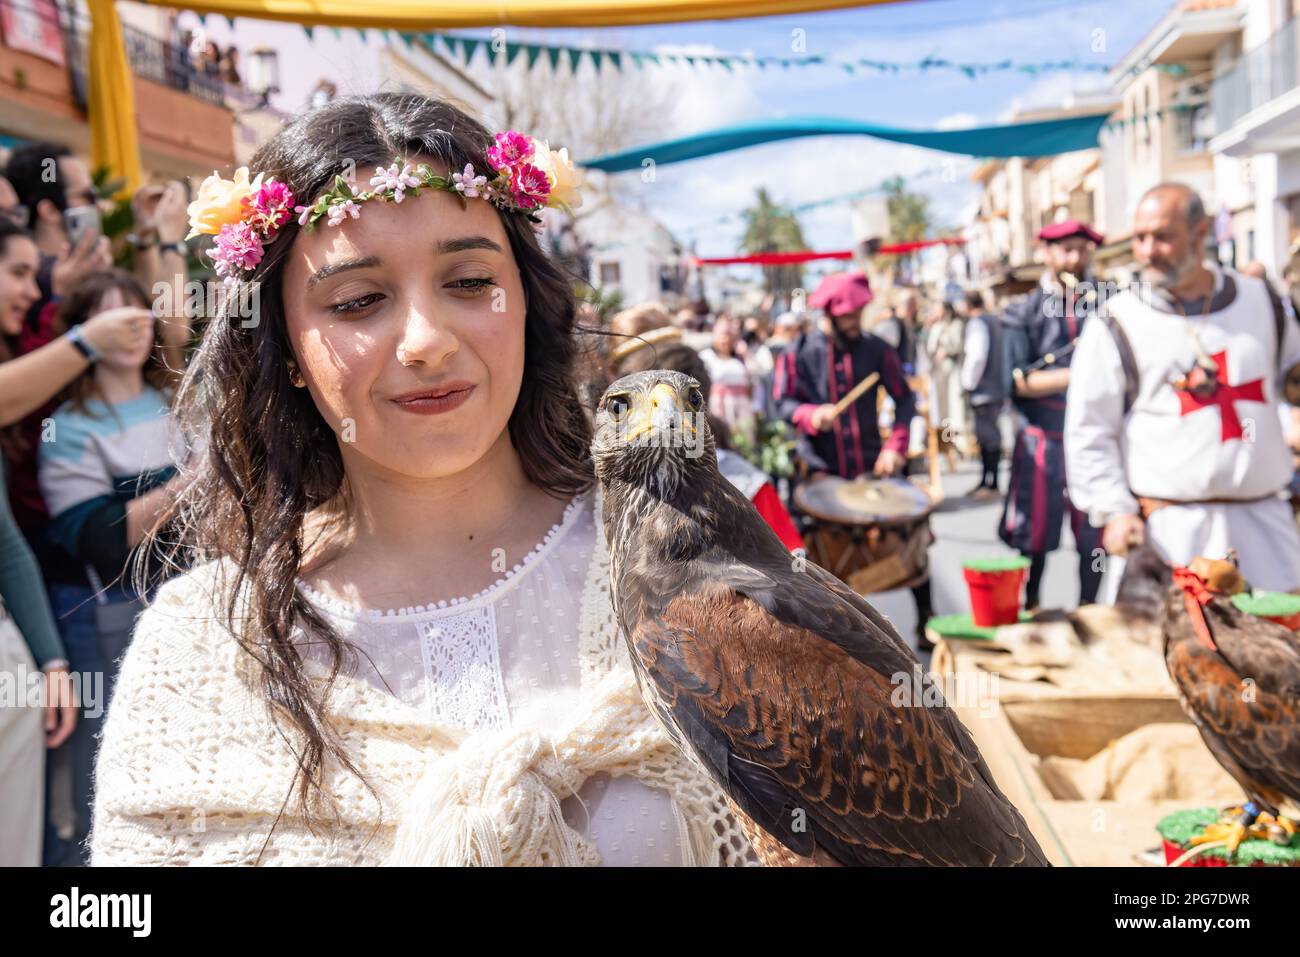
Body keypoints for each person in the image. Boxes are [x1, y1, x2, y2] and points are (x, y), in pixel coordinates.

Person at [89, 93, 756, 866]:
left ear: (527, 302)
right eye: (359, 300)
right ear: (288, 350)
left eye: (469, 281)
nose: (426, 340)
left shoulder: (692, 566)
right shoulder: (202, 649)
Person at [1066, 183, 1300, 592]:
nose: (1147, 251)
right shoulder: (1116, 321)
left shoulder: (1262, 301)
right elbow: (1090, 430)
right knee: (1162, 656)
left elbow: (1292, 381)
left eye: (1162, 236)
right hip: (1168, 537)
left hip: (1266, 532)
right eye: (1140, 237)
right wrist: (1115, 510)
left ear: (1200, 232)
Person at [773, 271, 934, 647]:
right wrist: (811, 415)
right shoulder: (797, 353)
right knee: (818, 560)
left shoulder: (877, 349)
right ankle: (830, 641)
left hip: (870, 468)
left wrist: (896, 445)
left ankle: (927, 620)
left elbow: (906, 400)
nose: (855, 323)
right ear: (827, 313)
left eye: (858, 314)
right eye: (847, 316)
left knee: (911, 539)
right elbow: (782, 404)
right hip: (821, 472)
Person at [0, 218, 79, 866]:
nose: (33, 290)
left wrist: (50, 661)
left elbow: (4, 539)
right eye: (19, 272)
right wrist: (87, 340)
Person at [1000, 219, 1105, 610]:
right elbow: (1016, 381)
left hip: (1094, 439)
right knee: (1036, 533)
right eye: (1065, 249)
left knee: (1094, 534)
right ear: (1045, 253)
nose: (1074, 258)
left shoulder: (1107, 304)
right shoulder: (1023, 311)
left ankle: (1089, 612)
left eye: (1081, 249)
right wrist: (1081, 372)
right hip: (1042, 438)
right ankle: (1031, 606)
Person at [960, 289, 1007, 497]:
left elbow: (977, 356)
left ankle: (991, 484)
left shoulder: (978, 323)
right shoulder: (994, 321)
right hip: (995, 386)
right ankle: (987, 481)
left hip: (984, 389)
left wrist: (968, 382)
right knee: (988, 437)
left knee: (988, 437)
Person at [699, 315, 756, 446]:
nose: (726, 340)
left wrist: (746, 354)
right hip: (717, 411)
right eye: (723, 335)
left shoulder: (740, 360)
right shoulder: (706, 358)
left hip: (742, 413)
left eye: (730, 336)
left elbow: (754, 379)